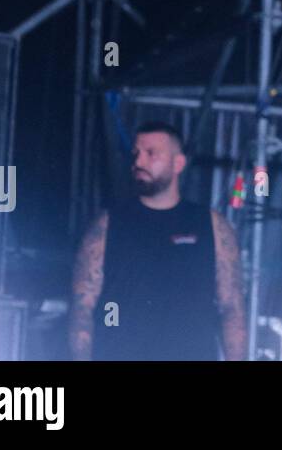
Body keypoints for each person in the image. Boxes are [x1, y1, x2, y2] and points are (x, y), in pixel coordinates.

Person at [69, 121, 246, 360]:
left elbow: (231, 307)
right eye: (136, 154)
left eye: (151, 154)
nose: (139, 162)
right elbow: (82, 308)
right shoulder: (107, 225)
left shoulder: (212, 225)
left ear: (178, 163)